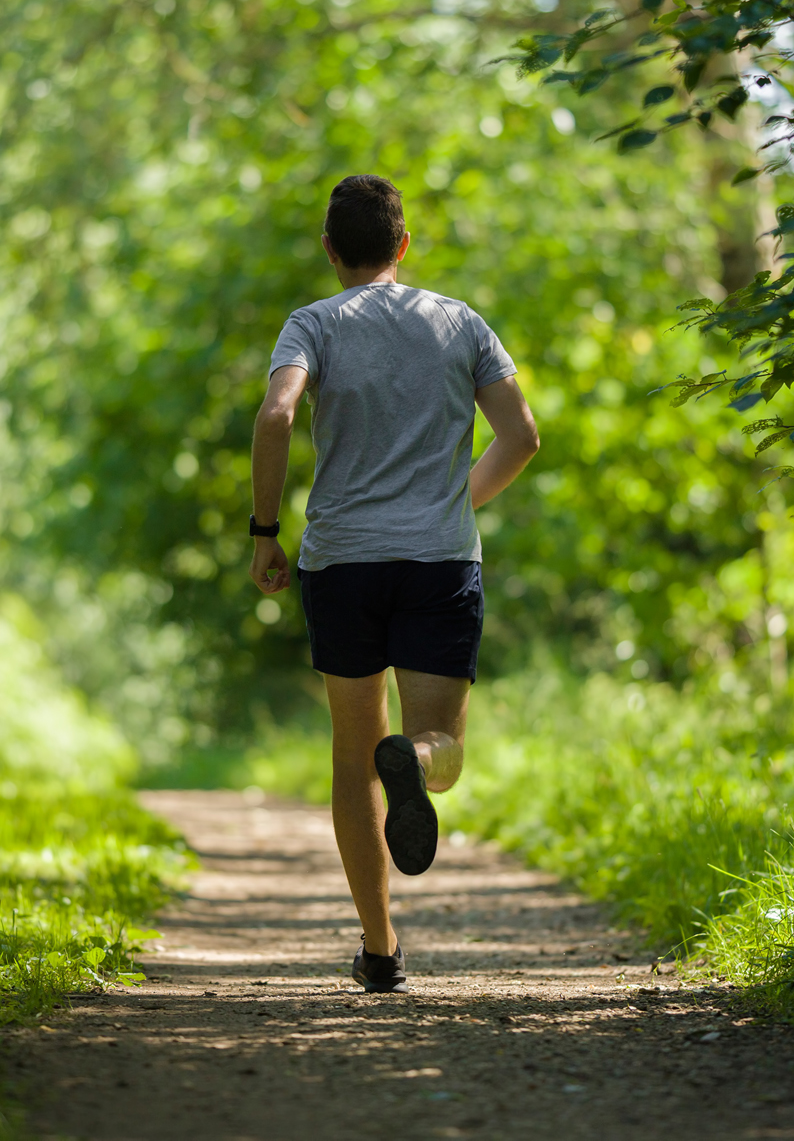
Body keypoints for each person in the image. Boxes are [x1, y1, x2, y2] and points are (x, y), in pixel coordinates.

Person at [247, 174, 539, 993]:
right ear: (403, 246)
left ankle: (380, 949)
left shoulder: (311, 325)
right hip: (439, 559)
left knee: (350, 757)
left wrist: (264, 532)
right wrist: (455, 501)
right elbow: (521, 436)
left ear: (332, 250)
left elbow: (275, 416)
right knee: (437, 748)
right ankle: (411, 756)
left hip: (340, 561)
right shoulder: (458, 321)